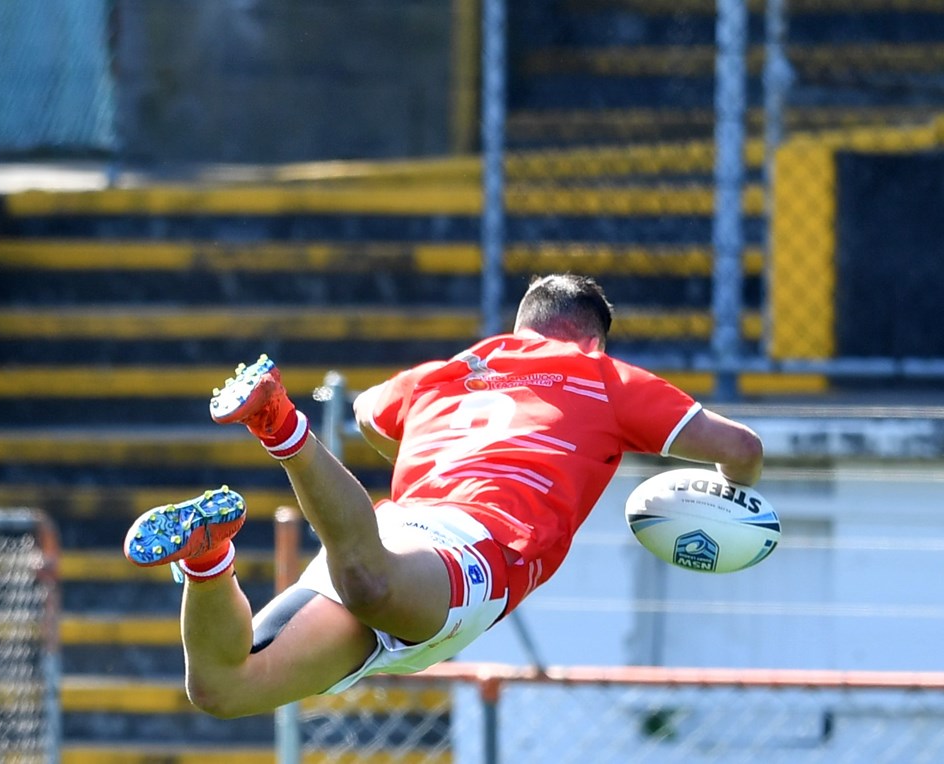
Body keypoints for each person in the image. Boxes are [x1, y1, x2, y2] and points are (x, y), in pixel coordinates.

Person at [123, 274, 764, 717]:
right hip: (475, 547)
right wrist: (729, 501)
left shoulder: (449, 370)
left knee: (221, 688)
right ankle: (281, 427)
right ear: (594, 340)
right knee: (370, 584)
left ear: (519, 327)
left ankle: (206, 560)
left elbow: (372, 418)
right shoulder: (605, 376)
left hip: (404, 528)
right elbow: (743, 451)